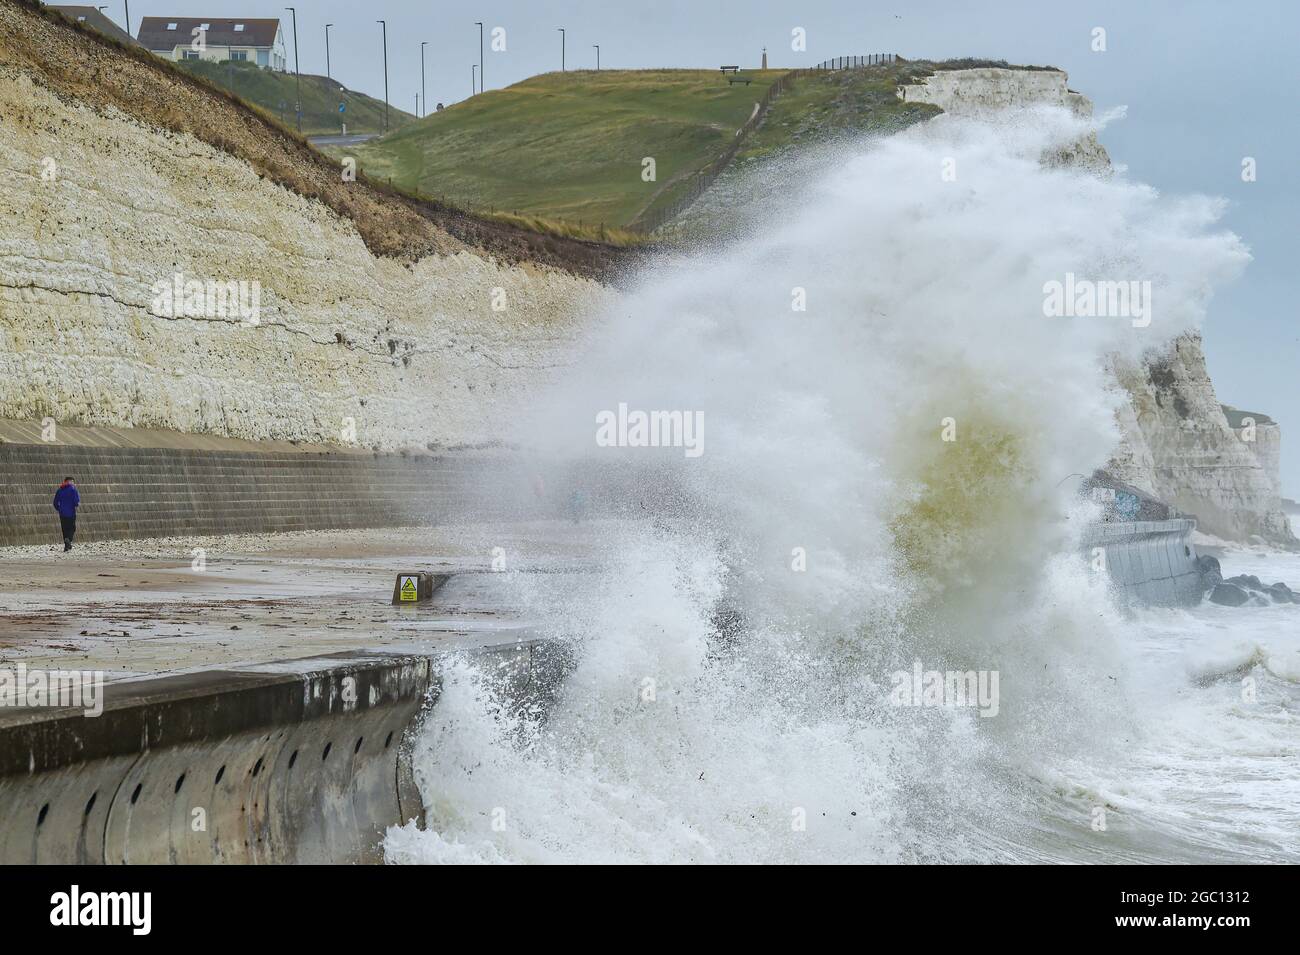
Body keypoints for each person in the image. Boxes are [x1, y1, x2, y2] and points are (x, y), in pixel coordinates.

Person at [53, 477, 80, 552]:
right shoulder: (73, 490)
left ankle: (66, 546)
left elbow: (55, 502)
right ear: (70, 482)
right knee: (72, 528)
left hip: (62, 513)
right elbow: (76, 501)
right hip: (71, 512)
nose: (73, 483)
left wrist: (59, 509)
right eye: (72, 482)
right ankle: (69, 540)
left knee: (64, 529)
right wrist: (76, 504)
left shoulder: (59, 490)